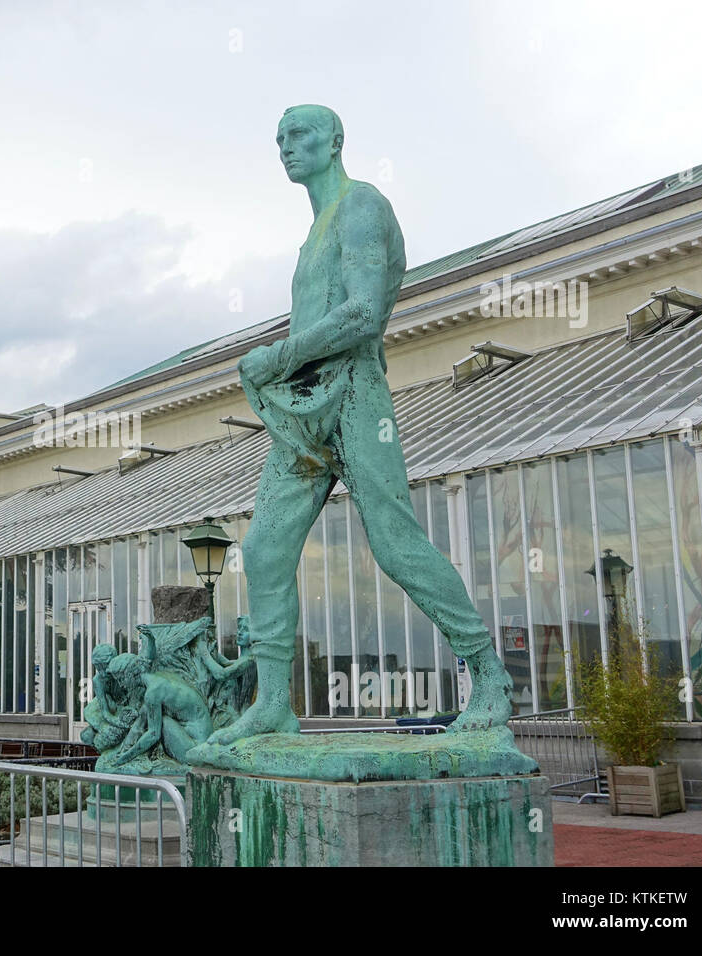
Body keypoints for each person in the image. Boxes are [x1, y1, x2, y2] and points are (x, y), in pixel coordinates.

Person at [208, 106, 511, 746]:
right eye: (280, 138)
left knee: (394, 542)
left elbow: (365, 314)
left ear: (336, 141)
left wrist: (278, 355)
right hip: (305, 406)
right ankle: (271, 703)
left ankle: (487, 674)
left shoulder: (361, 205)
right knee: (264, 549)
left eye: (301, 135)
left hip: (357, 396)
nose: (287, 147)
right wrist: (285, 367)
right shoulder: (314, 229)